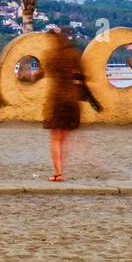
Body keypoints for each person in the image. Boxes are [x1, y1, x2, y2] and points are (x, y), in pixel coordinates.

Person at [43, 29, 83, 181]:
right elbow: (83, 76)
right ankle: (60, 171)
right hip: (72, 101)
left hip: (58, 101)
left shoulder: (51, 56)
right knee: (63, 141)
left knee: (55, 139)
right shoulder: (73, 55)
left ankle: (58, 172)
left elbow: (42, 73)